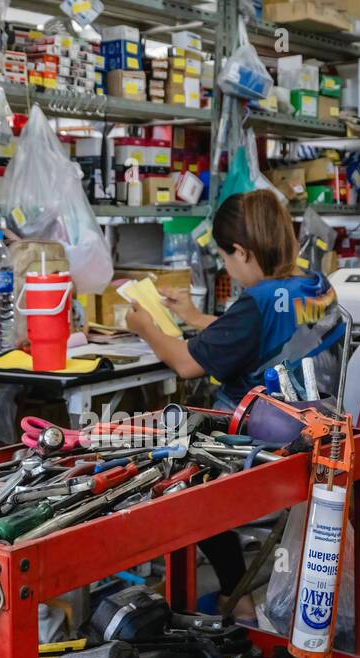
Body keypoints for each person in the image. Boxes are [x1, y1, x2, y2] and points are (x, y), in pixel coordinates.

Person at [122, 189, 339, 620]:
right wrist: (194, 319)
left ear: (241, 251)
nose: (226, 265)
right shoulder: (312, 284)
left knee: (178, 469)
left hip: (269, 436)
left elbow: (185, 364)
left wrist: (146, 327)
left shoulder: (256, 303)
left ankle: (234, 598)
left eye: (225, 257)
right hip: (320, 426)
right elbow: (266, 335)